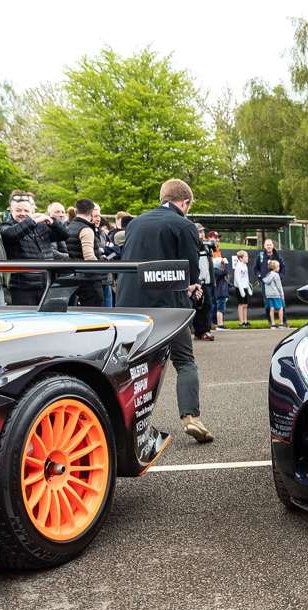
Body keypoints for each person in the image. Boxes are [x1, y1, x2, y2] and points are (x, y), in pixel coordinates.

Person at [116, 179, 211, 443]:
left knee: (136, 367)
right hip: (168, 306)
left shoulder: (134, 223)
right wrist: (193, 289)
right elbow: (190, 271)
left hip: (131, 305)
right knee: (185, 362)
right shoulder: (183, 224)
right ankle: (191, 418)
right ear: (185, 202)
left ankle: (128, 426)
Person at [0, 190, 69, 306]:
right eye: (18, 210)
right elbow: (12, 234)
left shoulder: (41, 227)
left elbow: (64, 235)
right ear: (11, 211)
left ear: (32, 211)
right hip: (22, 288)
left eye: (26, 211)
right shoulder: (5, 226)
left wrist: (52, 221)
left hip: (46, 284)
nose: (22, 213)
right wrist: (32, 221)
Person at [66, 199, 104, 307]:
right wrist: (102, 269)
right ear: (92, 211)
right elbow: (89, 257)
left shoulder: (69, 227)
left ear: (76, 210)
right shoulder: (86, 229)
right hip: (89, 280)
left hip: (74, 275)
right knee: (94, 313)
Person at [262, 256, 286, 328]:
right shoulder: (276, 275)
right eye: (278, 266)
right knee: (280, 308)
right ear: (275, 268)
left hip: (269, 295)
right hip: (276, 294)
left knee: (272, 308)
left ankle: (272, 324)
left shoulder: (268, 275)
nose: (279, 268)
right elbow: (279, 286)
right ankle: (281, 323)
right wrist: (282, 295)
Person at [232, 249, 253, 326]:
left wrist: (248, 288)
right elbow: (237, 279)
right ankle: (241, 322)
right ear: (241, 258)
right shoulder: (238, 266)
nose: (247, 258)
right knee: (241, 304)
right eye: (246, 256)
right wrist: (241, 289)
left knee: (245, 305)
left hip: (245, 287)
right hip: (239, 288)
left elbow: (246, 278)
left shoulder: (245, 266)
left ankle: (245, 320)